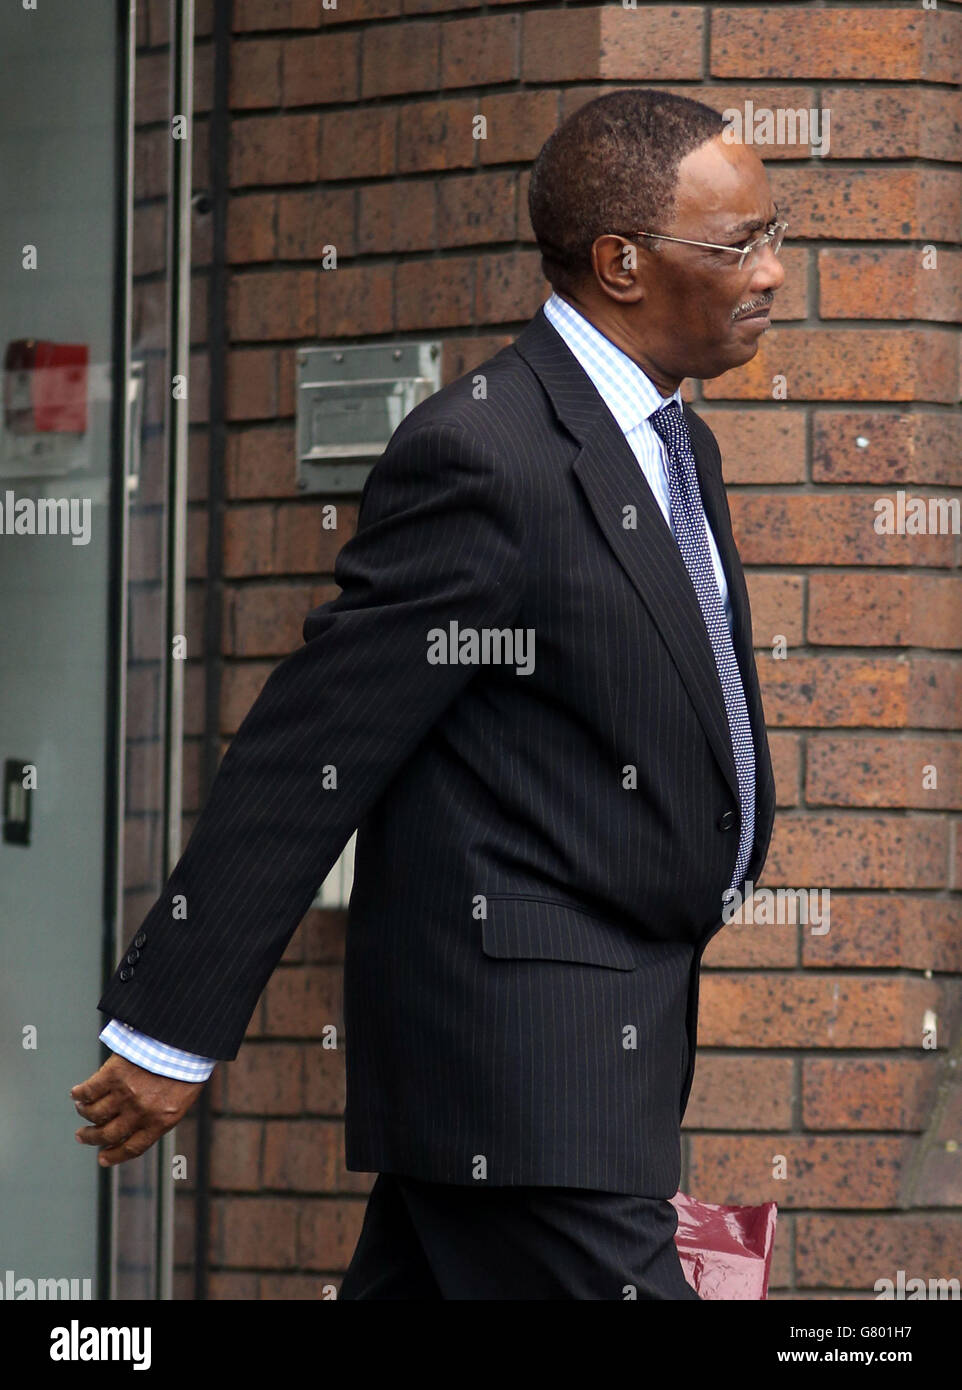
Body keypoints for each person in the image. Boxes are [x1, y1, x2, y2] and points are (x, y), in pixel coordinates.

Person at [72, 88, 785, 1299]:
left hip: (582, 1054)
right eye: (739, 245)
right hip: (524, 1071)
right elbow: (318, 743)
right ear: (619, 263)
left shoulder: (676, 446)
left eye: (775, 234)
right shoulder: (487, 454)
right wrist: (170, 1022)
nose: (770, 271)